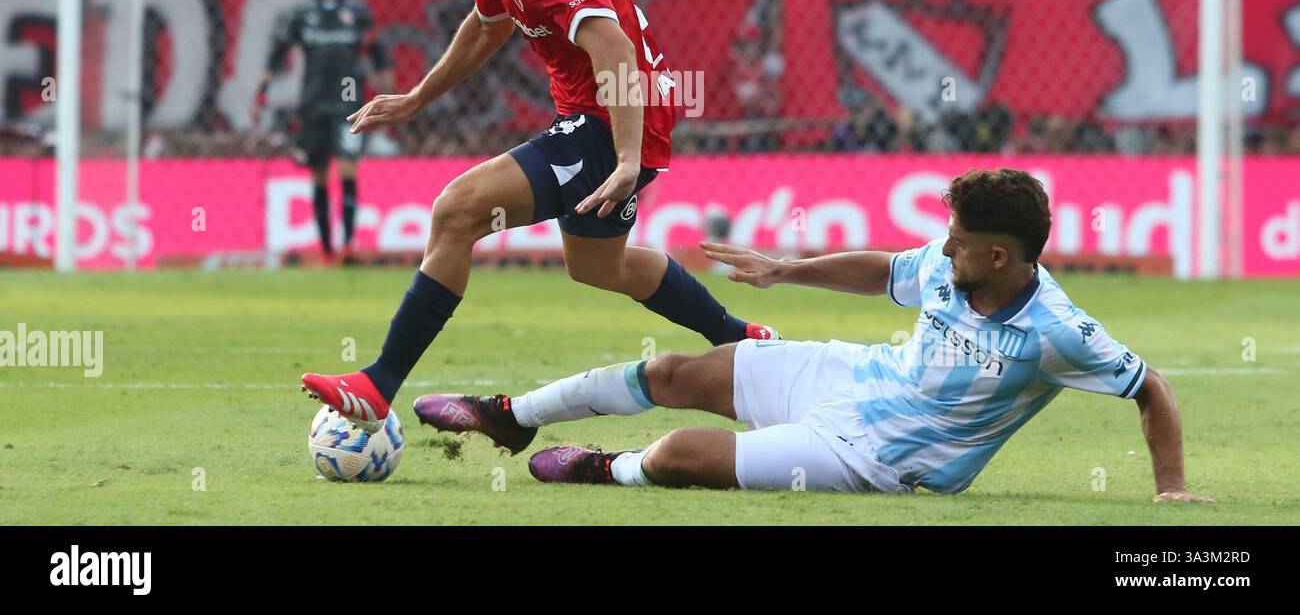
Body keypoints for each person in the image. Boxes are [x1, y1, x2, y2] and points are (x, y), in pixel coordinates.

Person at [302, 0, 776, 430]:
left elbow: (615, 49)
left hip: (612, 120)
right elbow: (488, 22)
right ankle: (749, 340)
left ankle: (377, 383)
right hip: (614, 114)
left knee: (456, 211)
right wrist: (419, 96)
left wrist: (627, 161)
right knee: (597, 266)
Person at [413, 168, 1213, 502]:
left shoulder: (1059, 332)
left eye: (960, 240)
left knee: (680, 453)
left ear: (1000, 255)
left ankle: (608, 468)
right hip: (852, 377)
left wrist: (1169, 489)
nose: (945, 247)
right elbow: (883, 270)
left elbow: (1151, 389)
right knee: (676, 372)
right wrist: (785, 270)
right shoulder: (948, 263)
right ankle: (510, 415)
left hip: (882, 459)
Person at [255, 0, 393, 263]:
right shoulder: (302, 13)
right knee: (318, 173)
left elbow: (378, 54)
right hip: (313, 102)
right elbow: (278, 52)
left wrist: (392, 92)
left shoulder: (357, 12)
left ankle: (347, 244)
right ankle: (327, 249)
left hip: (349, 105)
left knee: (347, 167)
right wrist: (262, 88)